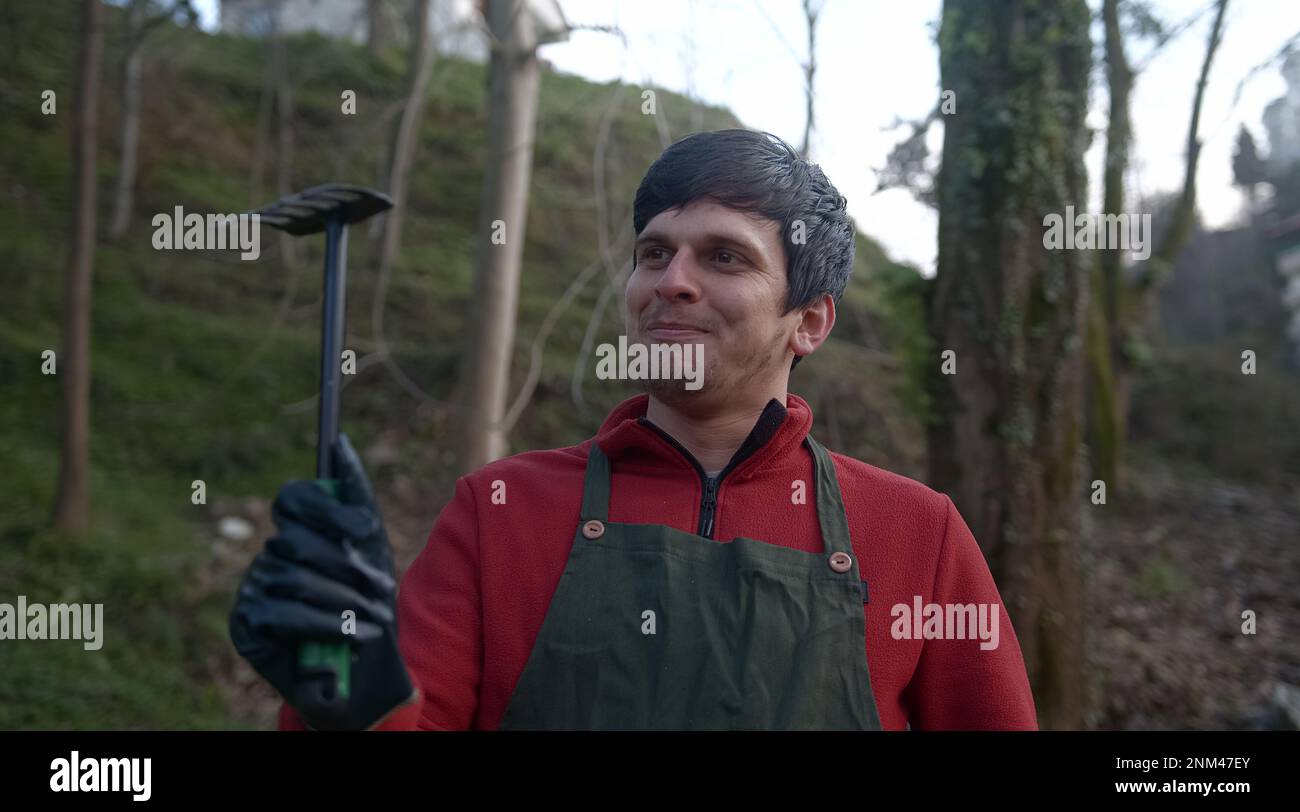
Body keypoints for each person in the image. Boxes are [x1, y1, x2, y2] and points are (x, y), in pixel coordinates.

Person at [230, 128, 1038, 730]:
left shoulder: (917, 535)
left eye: (724, 258)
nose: (671, 282)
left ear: (811, 321)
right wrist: (349, 693)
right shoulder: (501, 509)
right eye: (654, 254)